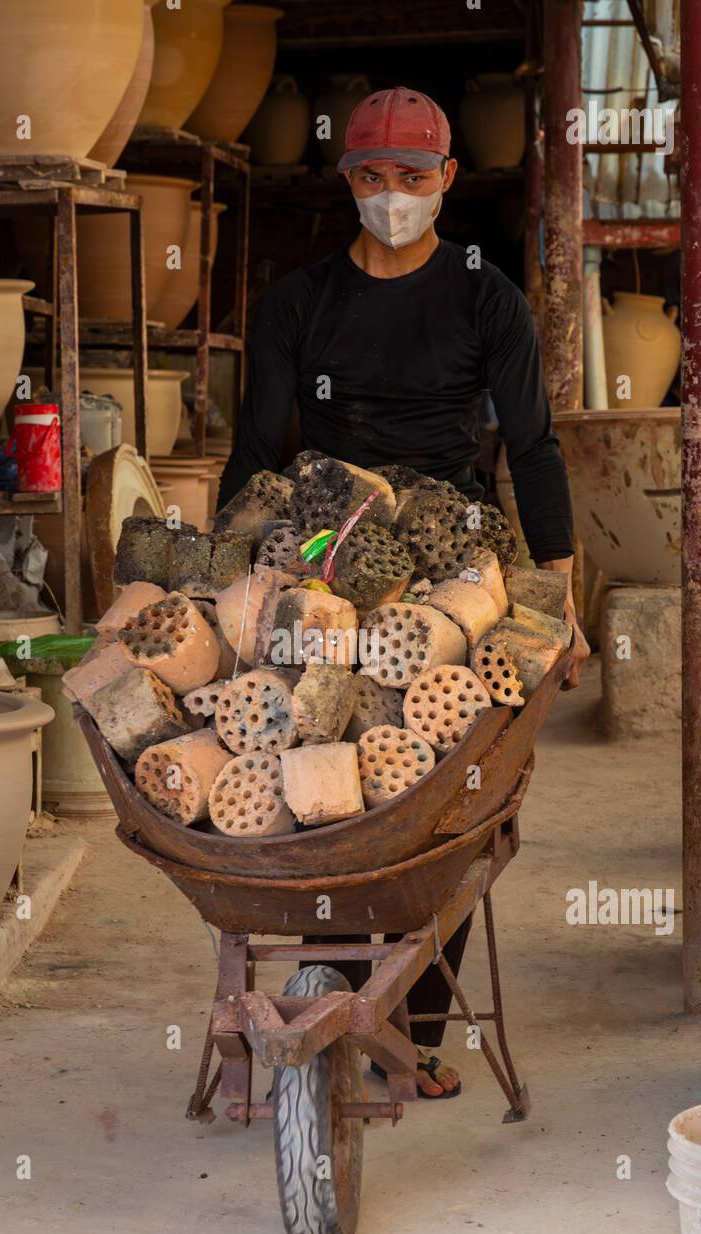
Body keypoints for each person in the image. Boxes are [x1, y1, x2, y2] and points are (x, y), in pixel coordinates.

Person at [219, 86, 590, 1097]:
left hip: (452, 550)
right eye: (372, 178)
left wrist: (555, 590)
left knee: (450, 791)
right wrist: (235, 566)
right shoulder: (299, 302)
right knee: (321, 757)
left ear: (446, 184)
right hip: (324, 548)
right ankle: (329, 988)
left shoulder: (483, 296)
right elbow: (258, 451)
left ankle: (415, 1029)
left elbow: (530, 445)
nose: (392, 197)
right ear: (346, 181)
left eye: (411, 180)